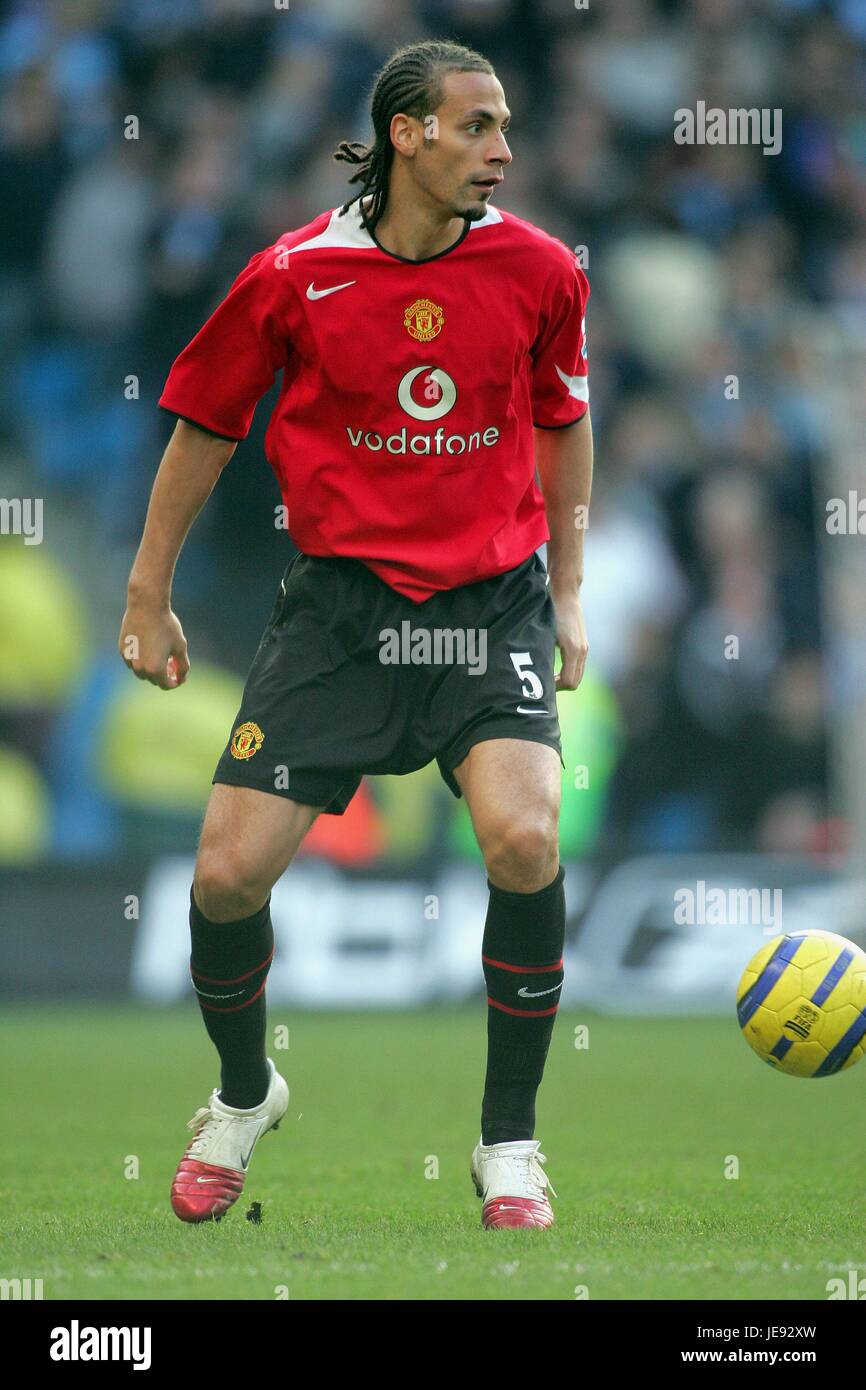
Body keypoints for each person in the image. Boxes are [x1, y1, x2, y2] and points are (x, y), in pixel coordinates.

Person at [119, 38, 593, 1231]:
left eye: (504, 128)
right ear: (407, 134)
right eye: (477, 126)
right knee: (225, 877)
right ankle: (242, 1094)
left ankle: (508, 1146)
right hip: (338, 616)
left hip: (489, 608)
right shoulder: (292, 273)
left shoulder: (539, 271)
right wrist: (146, 591)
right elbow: (202, 426)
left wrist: (570, 592)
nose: (502, 151)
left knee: (524, 839)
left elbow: (563, 420)